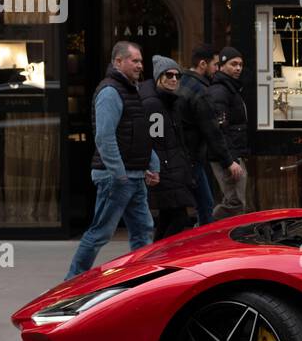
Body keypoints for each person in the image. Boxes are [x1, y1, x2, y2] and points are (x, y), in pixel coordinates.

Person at [65, 41, 160, 280]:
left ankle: (141, 280)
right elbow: (104, 137)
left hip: (134, 176)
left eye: (140, 60)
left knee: (143, 231)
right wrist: (119, 174)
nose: (140, 65)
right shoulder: (110, 91)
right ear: (118, 62)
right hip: (116, 177)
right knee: (100, 233)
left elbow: (140, 134)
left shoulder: (131, 90)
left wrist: (151, 165)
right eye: (134, 60)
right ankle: (71, 282)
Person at [140, 56, 197, 241]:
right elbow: (153, 140)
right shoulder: (153, 104)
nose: (174, 79)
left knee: (167, 218)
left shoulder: (171, 102)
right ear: (158, 77)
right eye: (169, 75)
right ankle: (158, 257)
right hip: (164, 171)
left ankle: (155, 258)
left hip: (172, 169)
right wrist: (155, 167)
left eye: (177, 76)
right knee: (179, 218)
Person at [205, 46, 249, 219]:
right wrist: (229, 160)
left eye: (240, 64)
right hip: (227, 156)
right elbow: (219, 129)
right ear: (222, 66)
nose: (238, 68)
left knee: (237, 202)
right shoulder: (220, 91)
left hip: (233, 153)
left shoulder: (231, 88)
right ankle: (204, 228)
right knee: (235, 202)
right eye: (233, 64)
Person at [178, 44, 218, 226]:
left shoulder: (180, 83)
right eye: (215, 64)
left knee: (182, 206)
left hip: (181, 154)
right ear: (203, 64)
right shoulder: (200, 91)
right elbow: (211, 130)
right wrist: (227, 160)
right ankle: (204, 246)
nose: (216, 69)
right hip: (192, 156)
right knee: (205, 204)